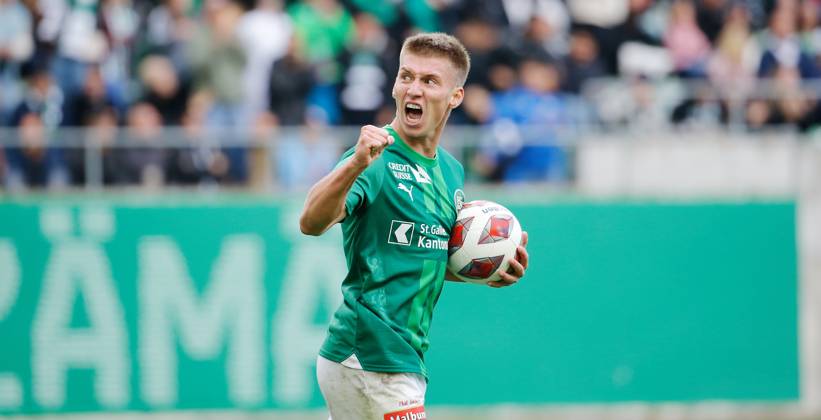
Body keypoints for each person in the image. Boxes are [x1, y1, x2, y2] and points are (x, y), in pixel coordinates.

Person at [299, 32, 529, 420]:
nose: (413, 89)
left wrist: (483, 269)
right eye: (406, 76)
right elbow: (310, 222)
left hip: (393, 358)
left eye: (429, 81)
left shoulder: (451, 171)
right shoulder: (375, 156)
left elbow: (419, 253)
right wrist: (355, 164)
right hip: (371, 357)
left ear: (455, 96)